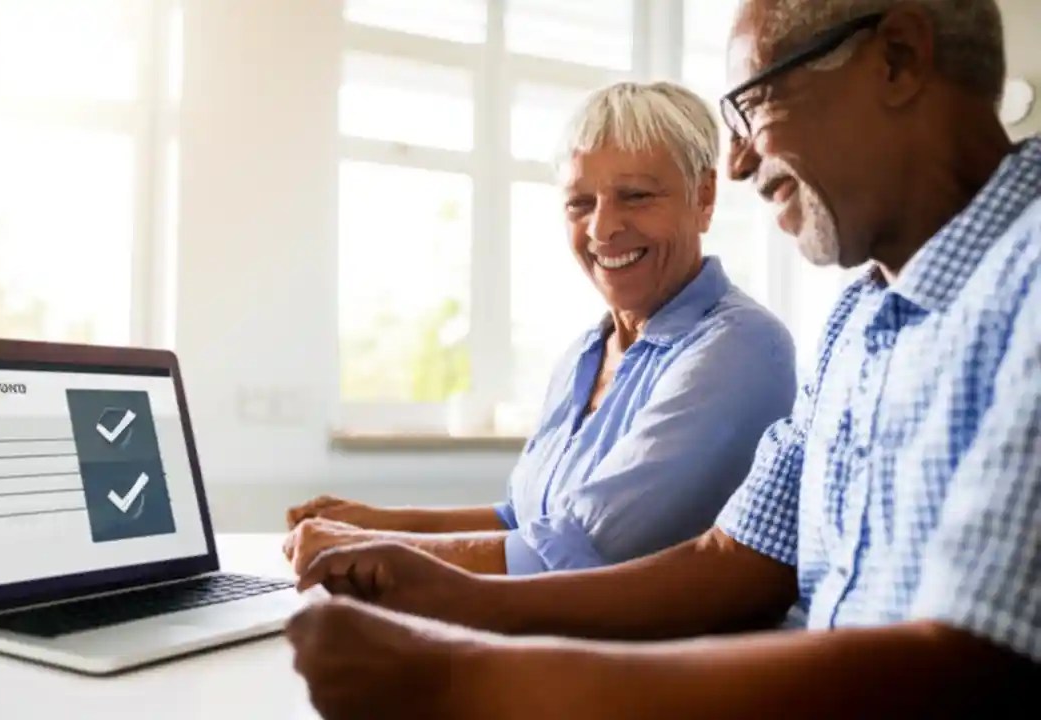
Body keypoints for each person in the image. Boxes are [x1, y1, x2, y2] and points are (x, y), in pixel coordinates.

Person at [285, 0, 1041, 717]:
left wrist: (472, 679)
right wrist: (453, 597)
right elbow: (735, 562)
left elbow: (974, 665)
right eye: (580, 203)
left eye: (756, 102)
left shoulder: (1026, 279)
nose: (742, 160)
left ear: (898, 60)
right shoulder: (857, 315)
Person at [282, 82, 796, 577]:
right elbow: (524, 520)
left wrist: (372, 547)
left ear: (703, 197)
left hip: (662, 659)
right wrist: (376, 521)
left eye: (636, 196)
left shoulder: (741, 347)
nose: (602, 228)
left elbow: (580, 549)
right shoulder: (584, 355)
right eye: (580, 203)